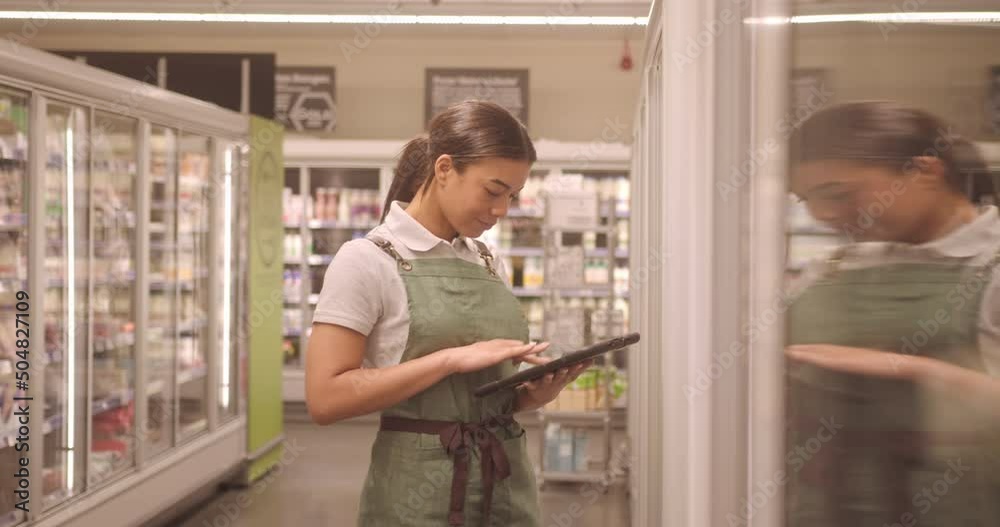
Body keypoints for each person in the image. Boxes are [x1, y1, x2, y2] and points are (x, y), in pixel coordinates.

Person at [305, 100, 591, 527]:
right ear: (444, 169)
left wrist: (533, 394)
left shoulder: (484, 259)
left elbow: (480, 394)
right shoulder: (366, 260)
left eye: (512, 196)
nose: (501, 211)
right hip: (419, 494)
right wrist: (449, 360)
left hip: (506, 486)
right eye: (493, 191)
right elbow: (325, 399)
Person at [783, 101, 1000, 526]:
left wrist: (912, 369)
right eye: (808, 199)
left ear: (924, 172)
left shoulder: (990, 267)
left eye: (838, 193)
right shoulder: (827, 271)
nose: (823, 214)